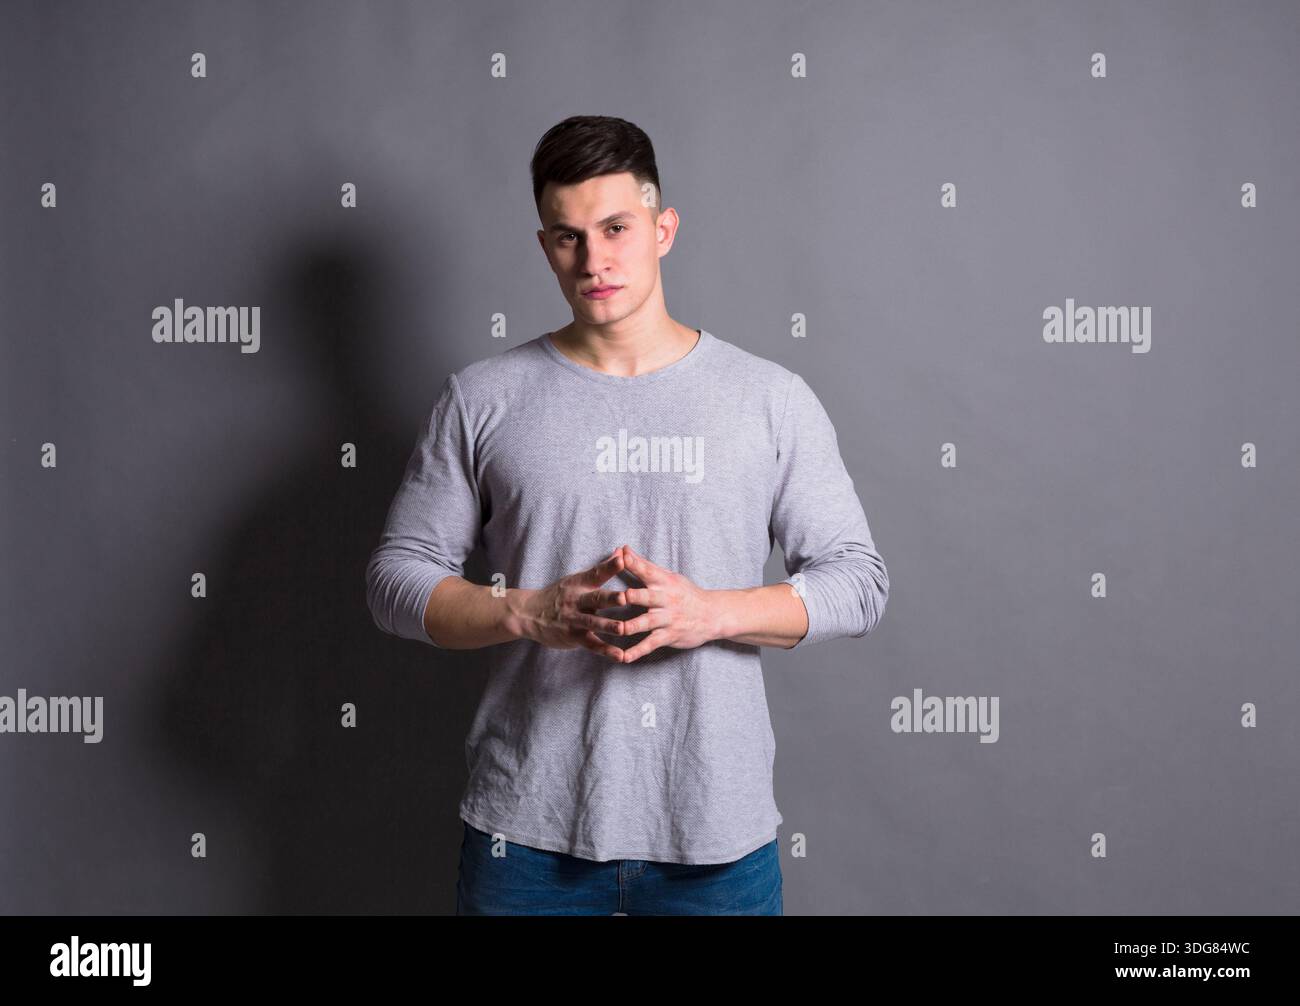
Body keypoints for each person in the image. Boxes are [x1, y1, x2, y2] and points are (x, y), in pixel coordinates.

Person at [365, 115, 889, 915]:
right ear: (546, 246)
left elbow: (858, 583)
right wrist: (526, 610)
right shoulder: (482, 398)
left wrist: (708, 613)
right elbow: (394, 582)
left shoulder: (770, 400)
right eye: (568, 237)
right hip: (526, 841)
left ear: (663, 228)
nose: (594, 260)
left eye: (616, 228)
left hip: (715, 842)